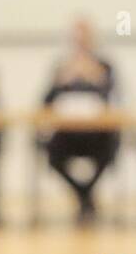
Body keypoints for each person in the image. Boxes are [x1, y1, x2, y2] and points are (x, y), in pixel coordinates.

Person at [42, 18, 119, 222]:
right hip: (68, 133)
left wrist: (96, 78)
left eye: (85, 39)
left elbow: (114, 100)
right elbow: (45, 102)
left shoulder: (104, 66)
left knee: (111, 148)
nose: (81, 43)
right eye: (77, 39)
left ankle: (85, 196)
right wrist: (61, 81)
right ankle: (84, 195)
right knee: (51, 152)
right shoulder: (62, 66)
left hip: (97, 133)